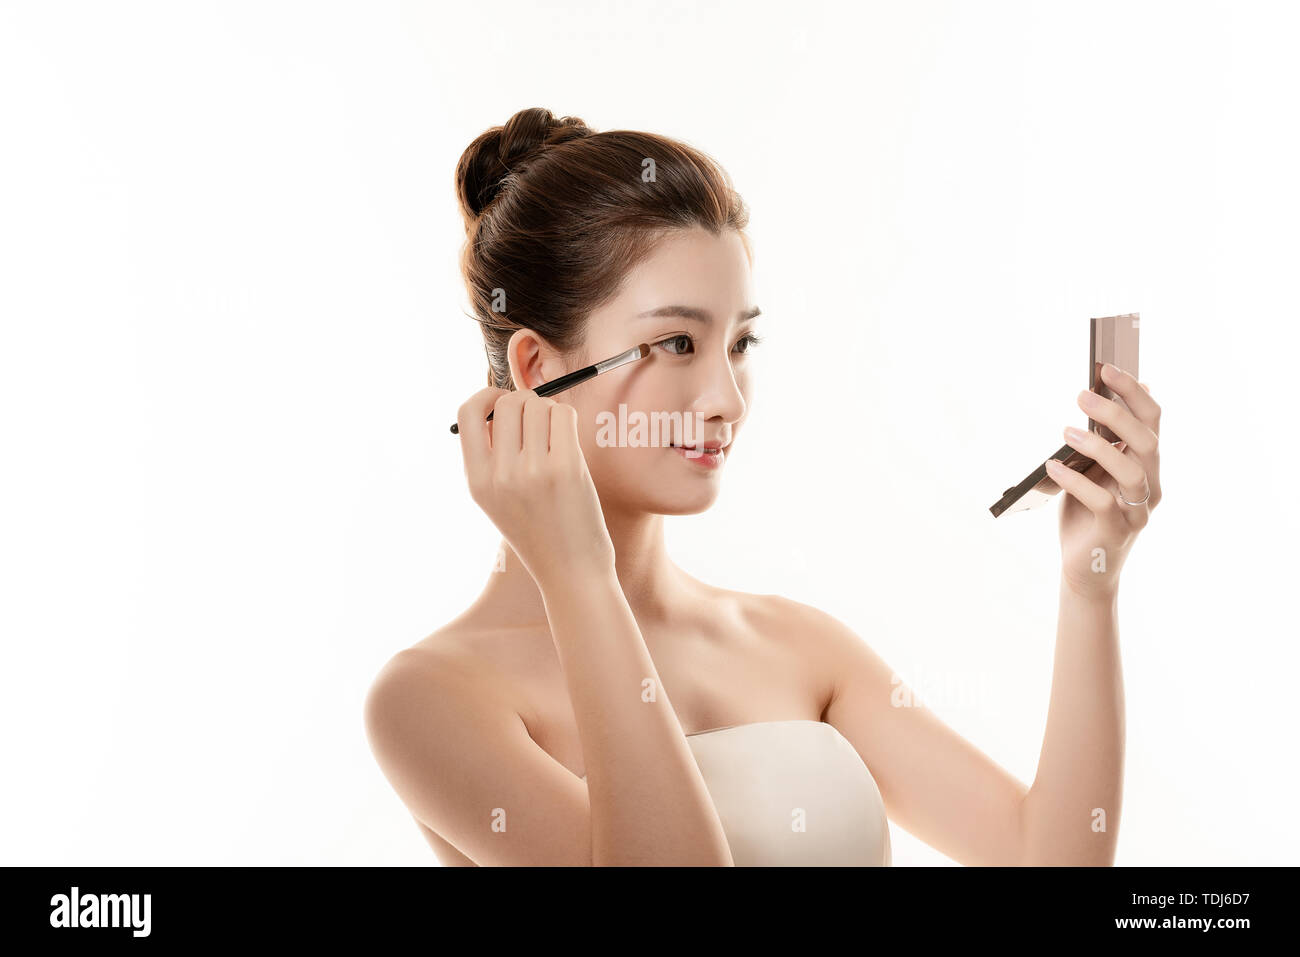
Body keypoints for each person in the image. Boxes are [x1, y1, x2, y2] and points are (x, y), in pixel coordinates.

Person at [363, 107, 1163, 866]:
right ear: (540, 369)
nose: (726, 400)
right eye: (676, 341)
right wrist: (578, 577)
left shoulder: (796, 643)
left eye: (740, 342)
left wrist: (1089, 584)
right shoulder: (433, 700)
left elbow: (1049, 856)